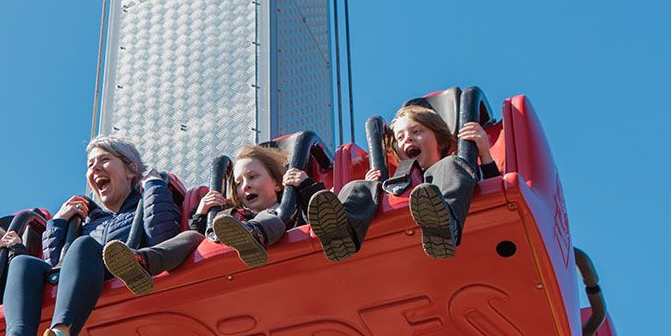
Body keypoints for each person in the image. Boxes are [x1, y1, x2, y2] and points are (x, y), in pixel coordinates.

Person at [0, 136, 179, 336]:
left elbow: (162, 237)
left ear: (131, 169)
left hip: (121, 267)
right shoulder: (89, 221)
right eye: (90, 164)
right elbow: (55, 265)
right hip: (81, 278)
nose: (95, 169)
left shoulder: (143, 203)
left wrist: (153, 185)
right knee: (23, 263)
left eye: (104, 160)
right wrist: (59, 222)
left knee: (83, 245)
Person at [307, 101, 497, 262]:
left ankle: (446, 224)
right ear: (397, 152)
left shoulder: (454, 166)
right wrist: (370, 186)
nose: (408, 139)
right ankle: (342, 233)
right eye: (400, 137)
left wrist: (485, 156)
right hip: (401, 204)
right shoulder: (395, 181)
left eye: (417, 131)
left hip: (453, 214)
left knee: (452, 164)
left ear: (440, 141)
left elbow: (495, 190)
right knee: (356, 186)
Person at [189, 144, 312, 269]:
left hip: (291, 261)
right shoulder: (232, 217)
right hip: (231, 265)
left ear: (277, 183)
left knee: (268, 216)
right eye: (238, 183)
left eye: (252, 177)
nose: (245, 186)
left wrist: (307, 186)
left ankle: (252, 234)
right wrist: (201, 214)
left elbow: (315, 214)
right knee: (187, 237)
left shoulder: (295, 212)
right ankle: (172, 258)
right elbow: (200, 245)